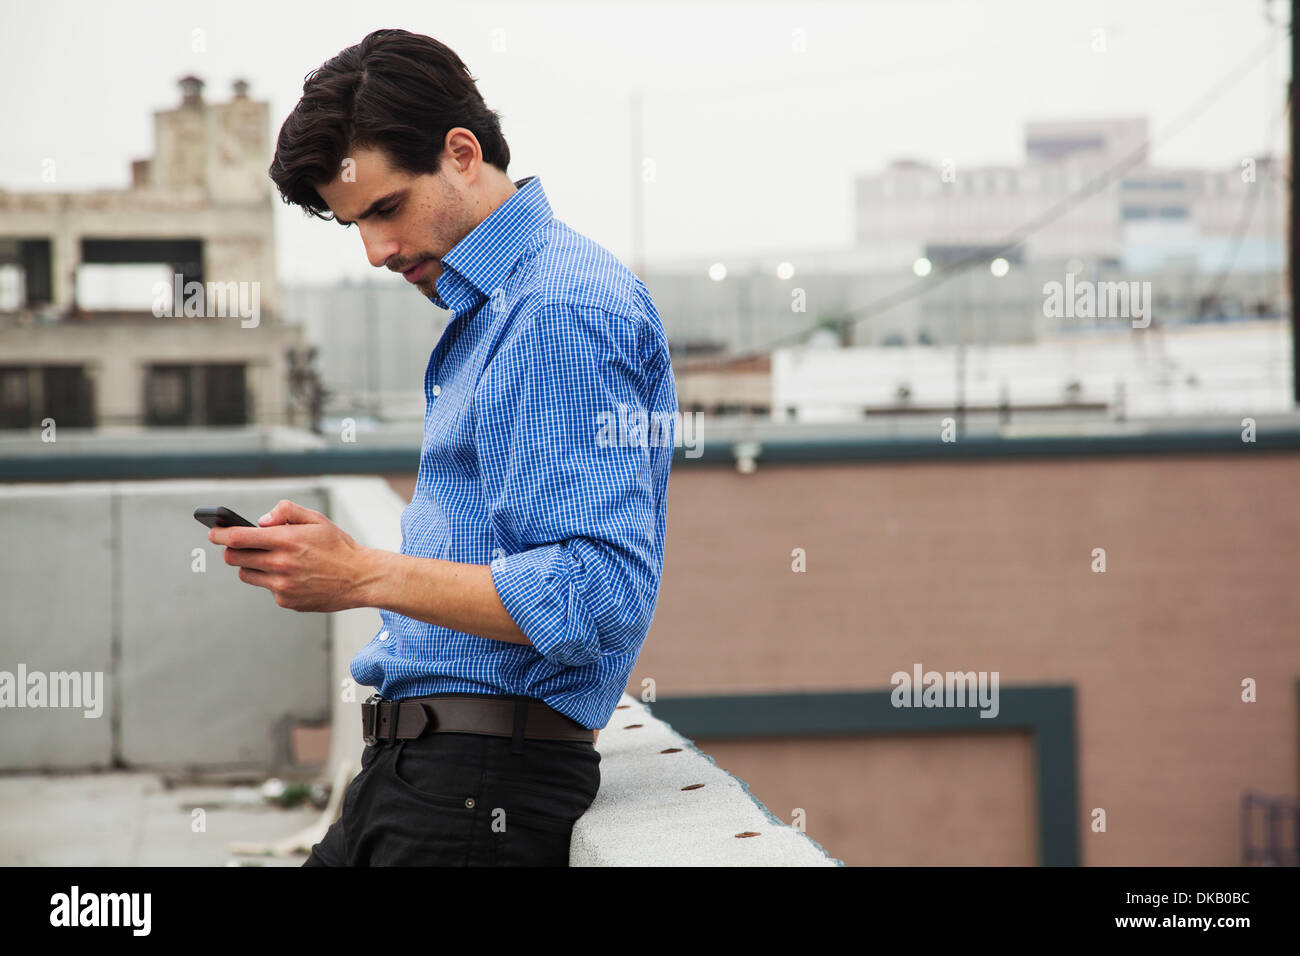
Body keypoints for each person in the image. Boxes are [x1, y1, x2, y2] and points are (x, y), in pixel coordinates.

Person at [210, 28, 677, 865]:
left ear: (462, 153)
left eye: (385, 209)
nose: (378, 252)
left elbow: (595, 594)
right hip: (426, 776)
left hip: (477, 789)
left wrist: (360, 574)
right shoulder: (502, 309)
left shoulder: (557, 311)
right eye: (356, 225)